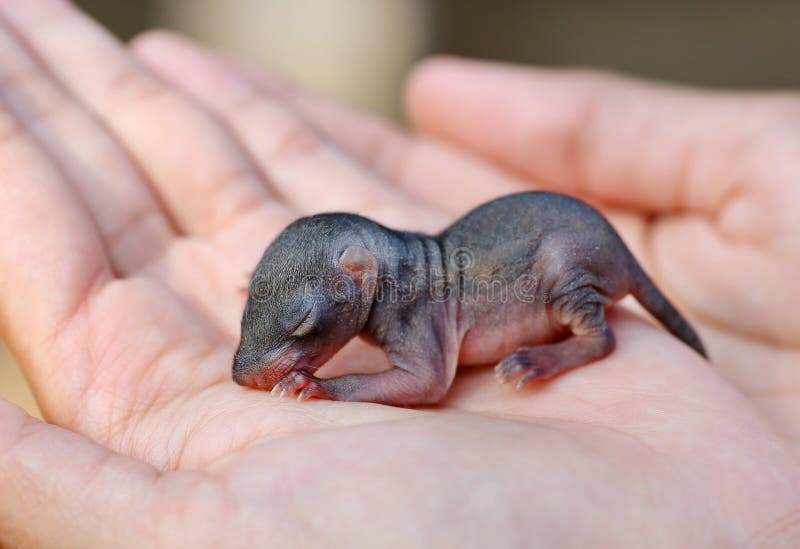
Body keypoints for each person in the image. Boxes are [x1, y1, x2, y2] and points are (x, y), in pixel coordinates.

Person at [1, 0, 799, 546]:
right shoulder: (368, 278)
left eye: (303, 331)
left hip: (562, 241)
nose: (264, 369)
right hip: (500, 230)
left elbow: (426, 380)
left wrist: (334, 386)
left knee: (561, 268)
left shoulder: (411, 304)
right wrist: (290, 333)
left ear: (361, 272)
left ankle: (584, 342)